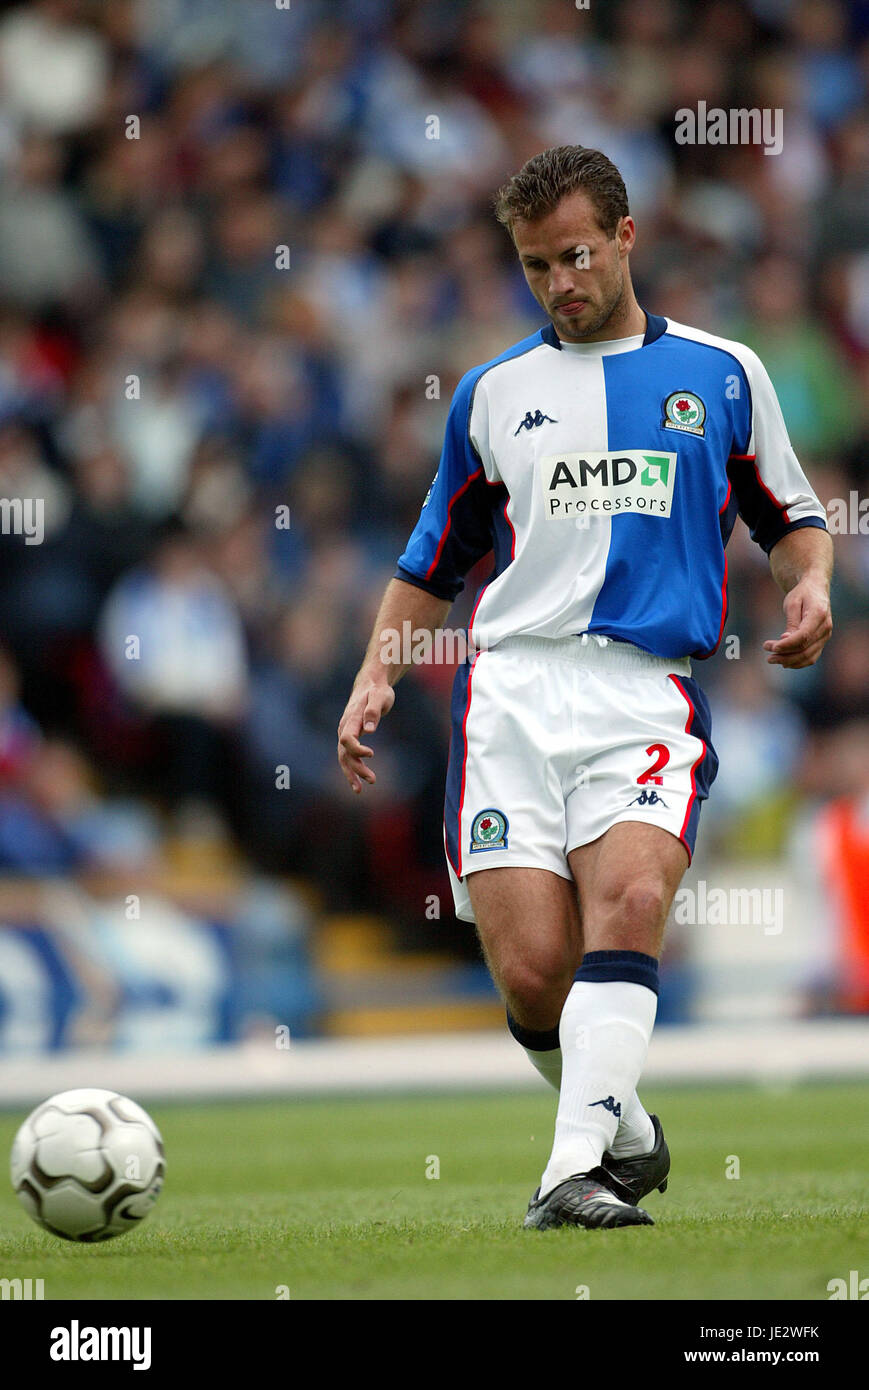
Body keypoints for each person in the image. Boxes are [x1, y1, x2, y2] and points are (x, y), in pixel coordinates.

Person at [338, 146, 833, 1230]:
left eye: (572, 255)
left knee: (633, 901)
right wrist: (377, 668)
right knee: (529, 975)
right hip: (510, 696)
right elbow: (430, 560)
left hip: (642, 690)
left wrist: (808, 587)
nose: (558, 282)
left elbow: (789, 515)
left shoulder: (721, 374)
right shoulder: (491, 394)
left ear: (622, 238)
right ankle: (627, 1128)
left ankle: (567, 1173)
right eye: (532, 267)